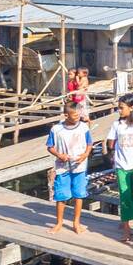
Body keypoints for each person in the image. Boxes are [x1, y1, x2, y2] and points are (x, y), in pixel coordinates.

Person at [105, 92, 133, 244]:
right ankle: (126, 227)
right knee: (124, 197)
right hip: (122, 166)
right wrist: (111, 154)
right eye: (118, 108)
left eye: (121, 108)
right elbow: (110, 143)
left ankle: (129, 215)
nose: (119, 111)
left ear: (131, 108)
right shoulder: (116, 125)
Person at [47, 99, 92, 234]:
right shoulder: (56, 129)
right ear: (66, 115)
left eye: (79, 115)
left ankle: (76, 222)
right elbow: (50, 147)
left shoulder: (83, 127)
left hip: (80, 166)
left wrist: (85, 155)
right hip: (63, 167)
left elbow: (89, 144)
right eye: (75, 116)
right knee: (62, 195)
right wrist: (59, 155)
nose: (78, 117)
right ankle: (59, 222)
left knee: (79, 194)